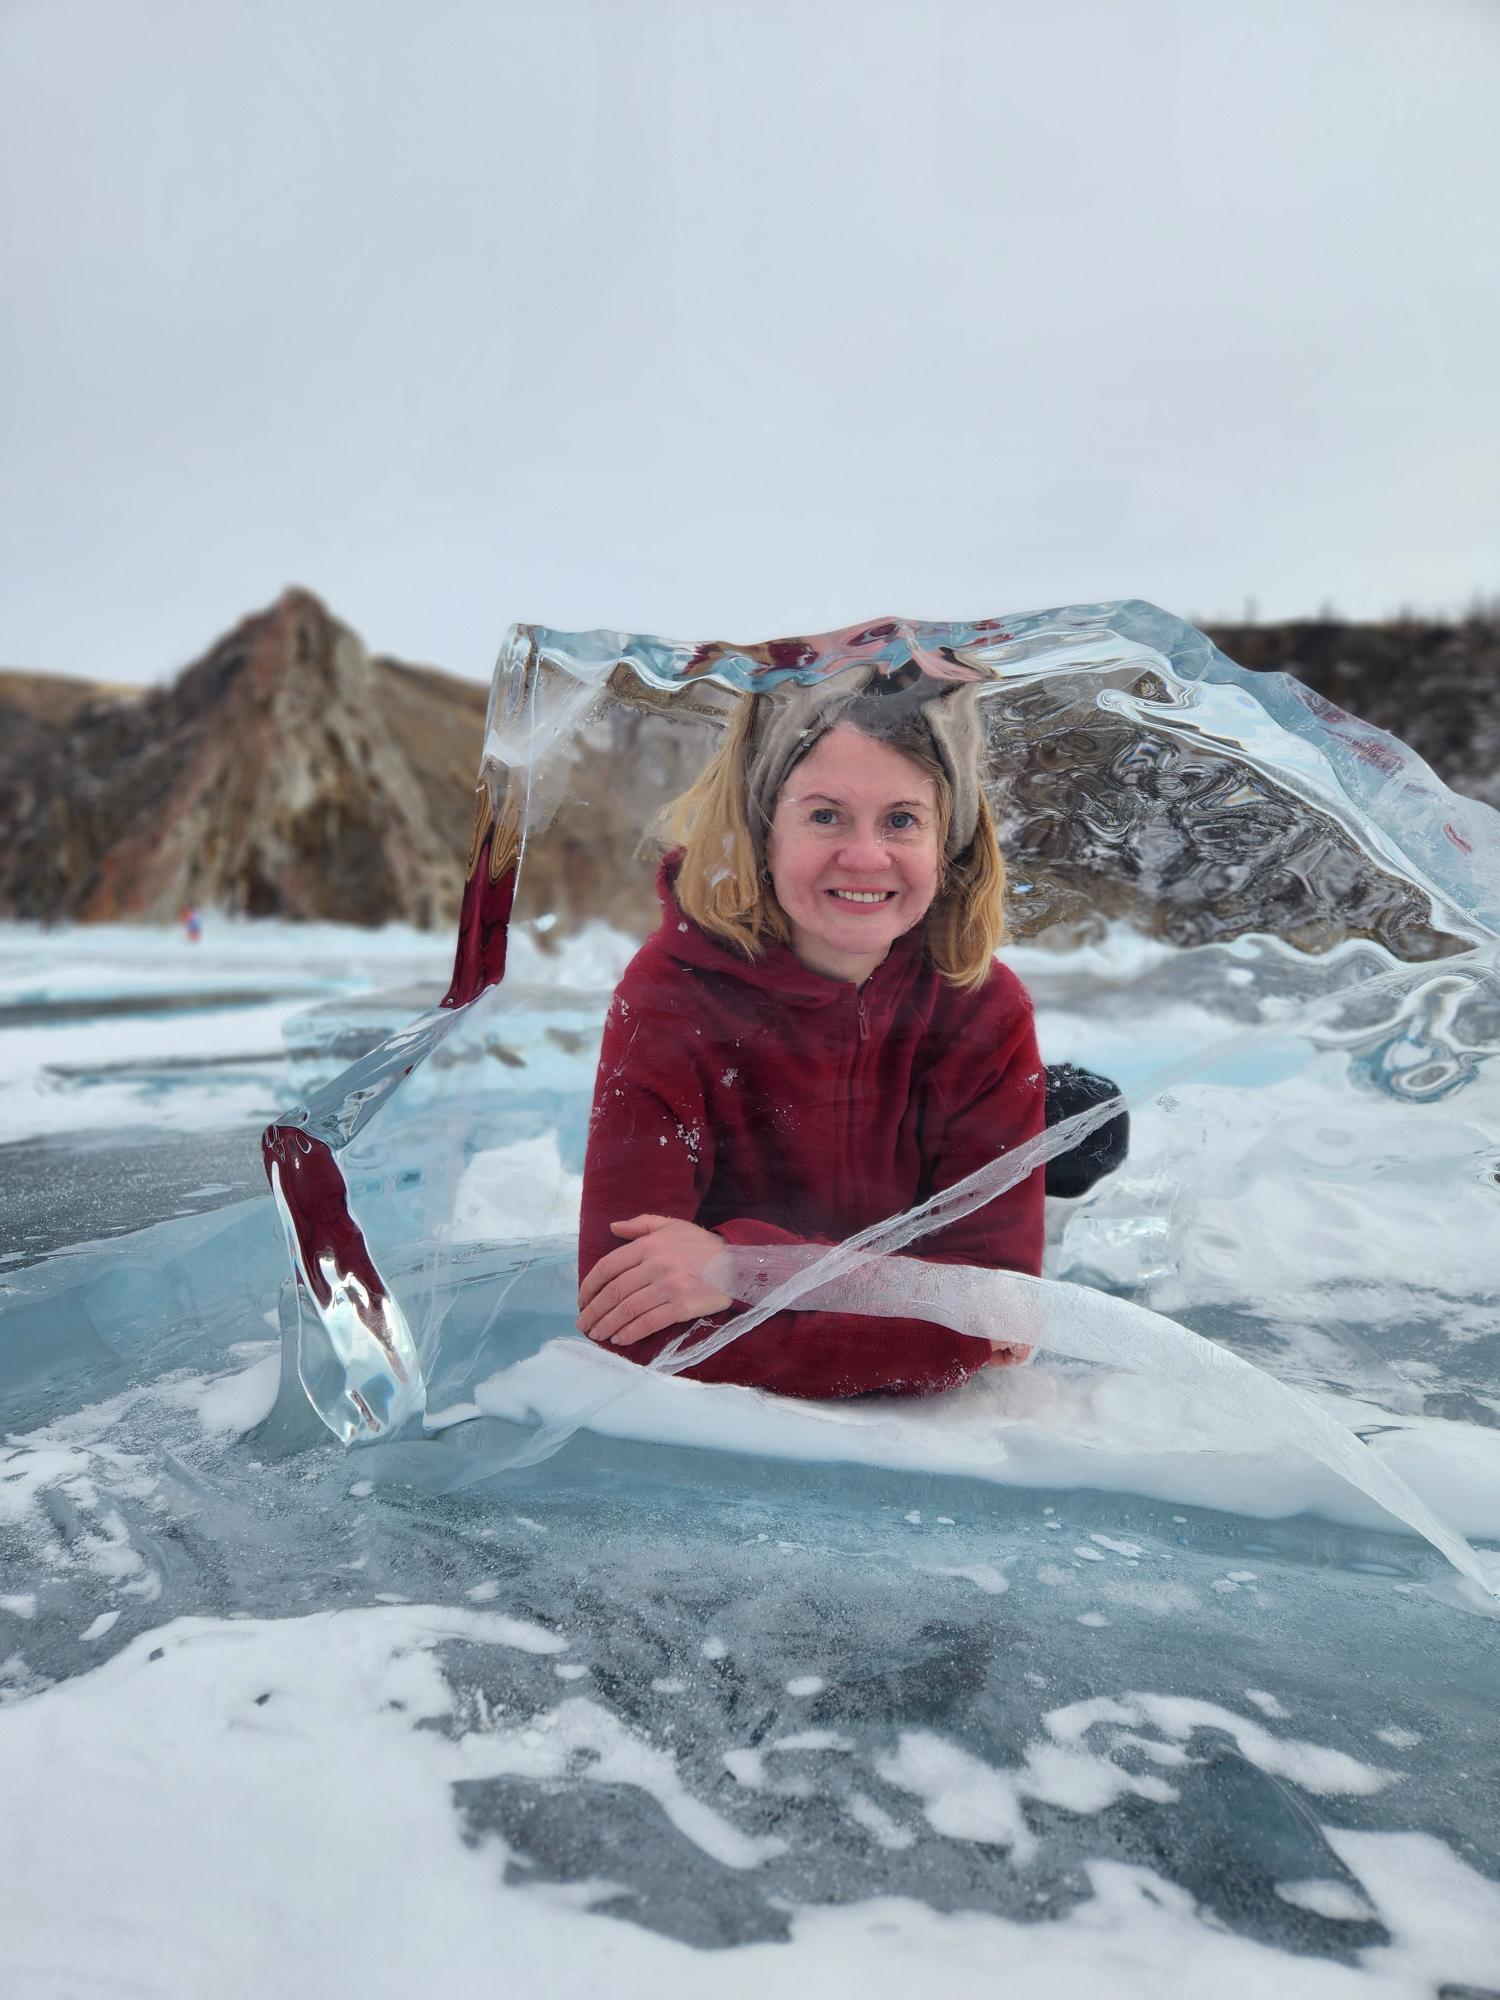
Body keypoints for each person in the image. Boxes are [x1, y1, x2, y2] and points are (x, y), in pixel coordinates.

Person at [575, 661, 1047, 1400]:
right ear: (763, 828)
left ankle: (1069, 1118)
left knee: (1076, 1132)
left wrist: (738, 1268)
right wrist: (928, 1320)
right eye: (825, 815)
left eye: (902, 819)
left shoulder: (985, 1010)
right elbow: (630, 1322)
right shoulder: (669, 998)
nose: (865, 857)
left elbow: (994, 1312)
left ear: (947, 838)